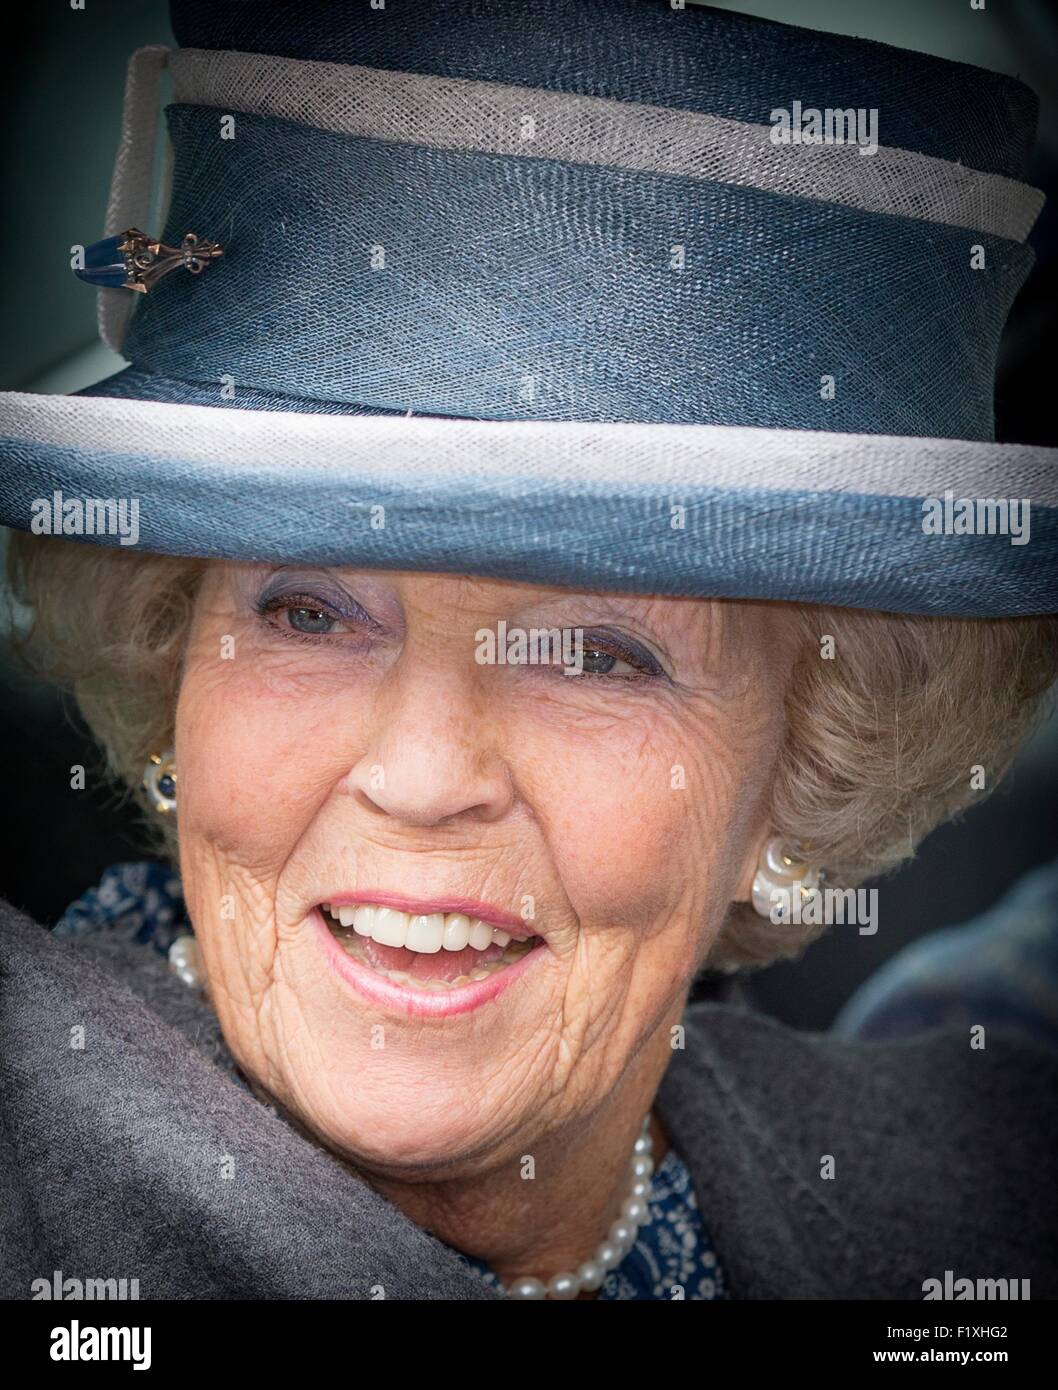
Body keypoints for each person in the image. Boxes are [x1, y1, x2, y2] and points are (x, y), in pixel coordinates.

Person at [1, 0, 1056, 1300]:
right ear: (171, 676)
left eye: (599, 654)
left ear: (803, 770)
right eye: (309, 612)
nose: (424, 771)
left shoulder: (973, 1196)